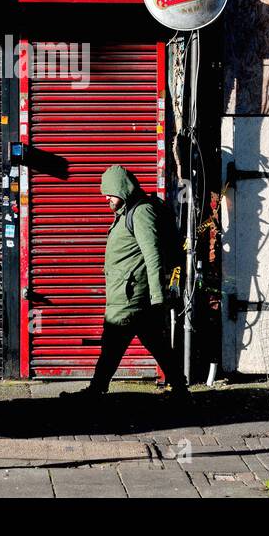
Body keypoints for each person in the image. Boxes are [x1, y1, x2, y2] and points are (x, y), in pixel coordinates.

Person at [63, 165, 189, 401]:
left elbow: (152, 255)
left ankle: (96, 391)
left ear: (122, 189)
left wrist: (158, 297)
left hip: (130, 297)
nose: (107, 198)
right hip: (129, 293)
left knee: (112, 344)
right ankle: (180, 388)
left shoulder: (141, 213)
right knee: (156, 343)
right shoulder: (128, 211)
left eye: (110, 193)